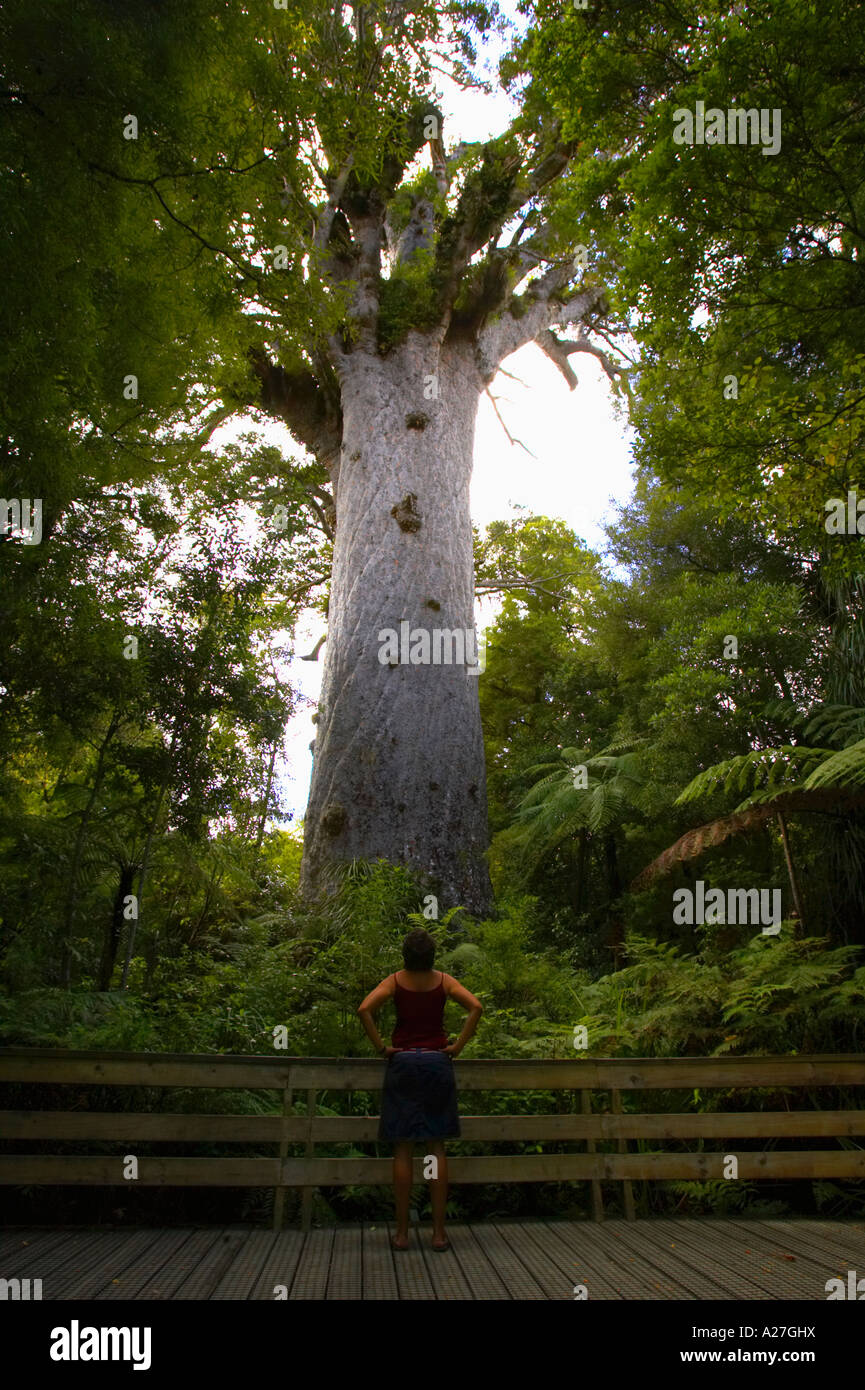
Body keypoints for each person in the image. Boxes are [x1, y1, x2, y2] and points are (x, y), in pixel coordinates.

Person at [357, 927, 483, 1252]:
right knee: (434, 1147)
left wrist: (381, 1047)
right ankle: (438, 1234)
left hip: (402, 1065)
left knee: (403, 1149)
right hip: (436, 1064)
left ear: (405, 955)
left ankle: (401, 1235)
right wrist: (457, 1046)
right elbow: (476, 1007)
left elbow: (364, 1009)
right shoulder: (443, 981)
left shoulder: (396, 981)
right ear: (432, 955)